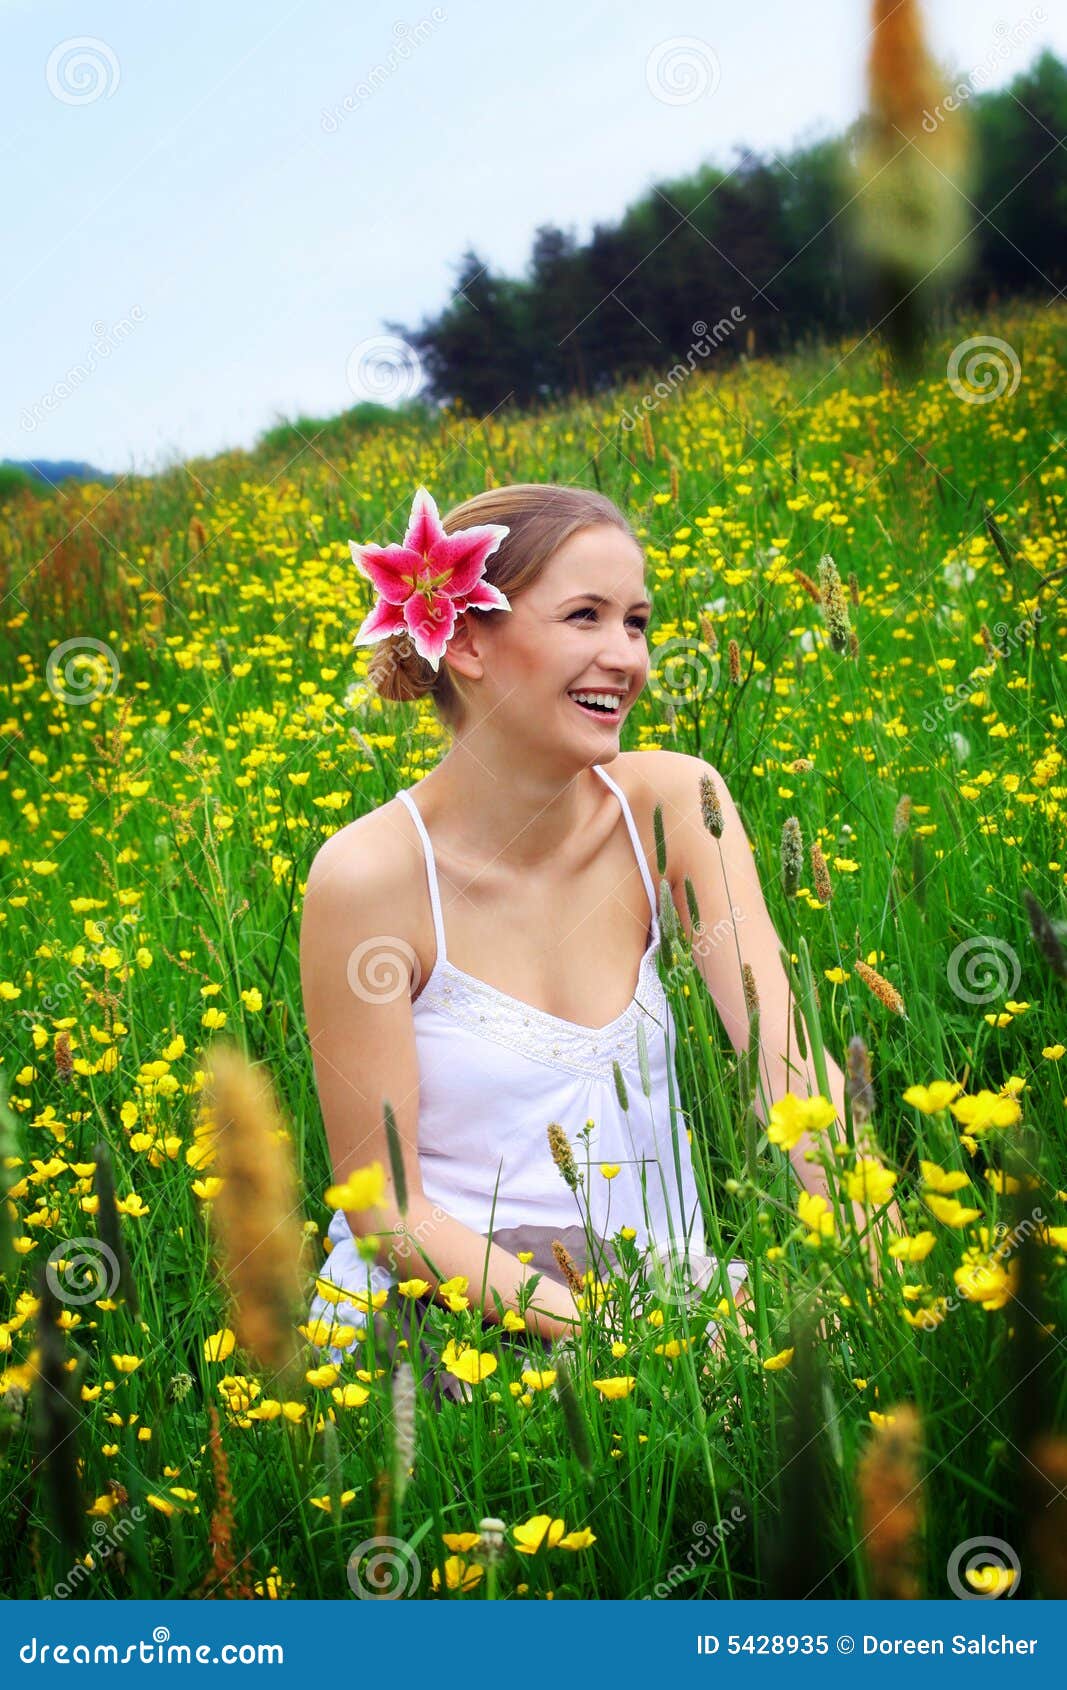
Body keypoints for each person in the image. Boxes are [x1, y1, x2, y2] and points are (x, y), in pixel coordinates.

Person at [299, 482, 892, 1405]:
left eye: (638, 622)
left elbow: (787, 1064)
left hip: (648, 1288)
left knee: (830, 1395)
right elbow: (383, 1207)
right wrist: (607, 1331)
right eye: (585, 617)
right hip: (436, 1306)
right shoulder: (367, 876)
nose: (626, 657)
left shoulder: (675, 806)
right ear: (463, 642)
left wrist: (889, 1250)